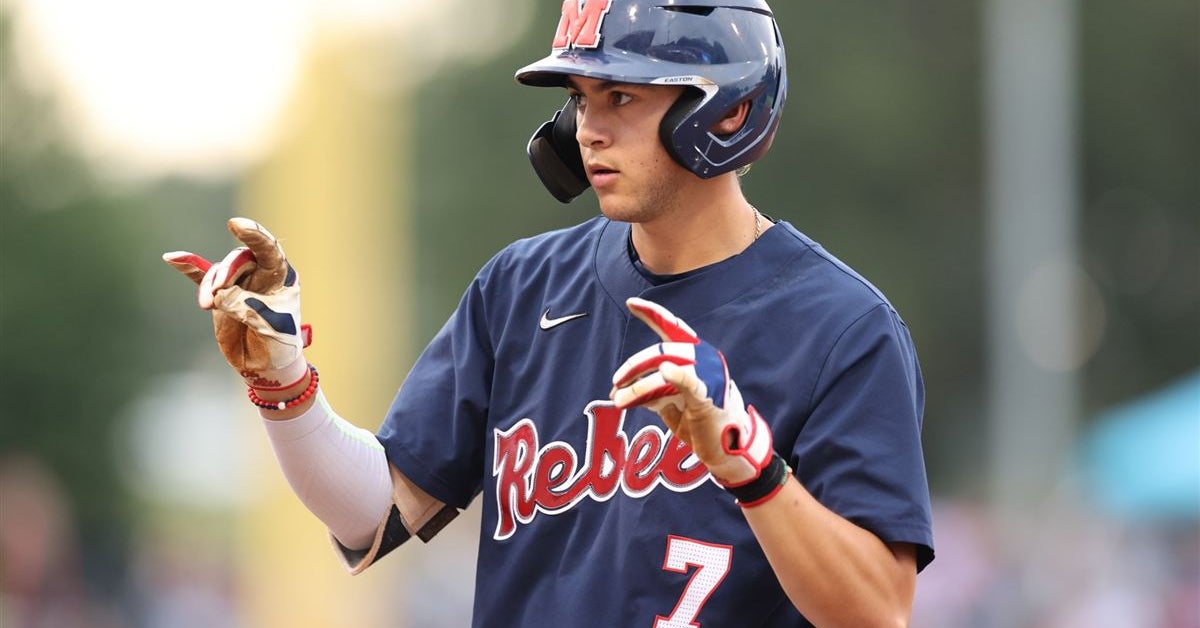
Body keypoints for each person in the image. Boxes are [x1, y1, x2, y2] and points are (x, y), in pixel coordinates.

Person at [164, 1, 934, 625]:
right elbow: (377, 515)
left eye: (622, 96)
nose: (589, 129)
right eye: (581, 99)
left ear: (726, 112)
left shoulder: (841, 327)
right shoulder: (522, 287)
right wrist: (284, 384)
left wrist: (748, 464)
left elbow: (877, 611)